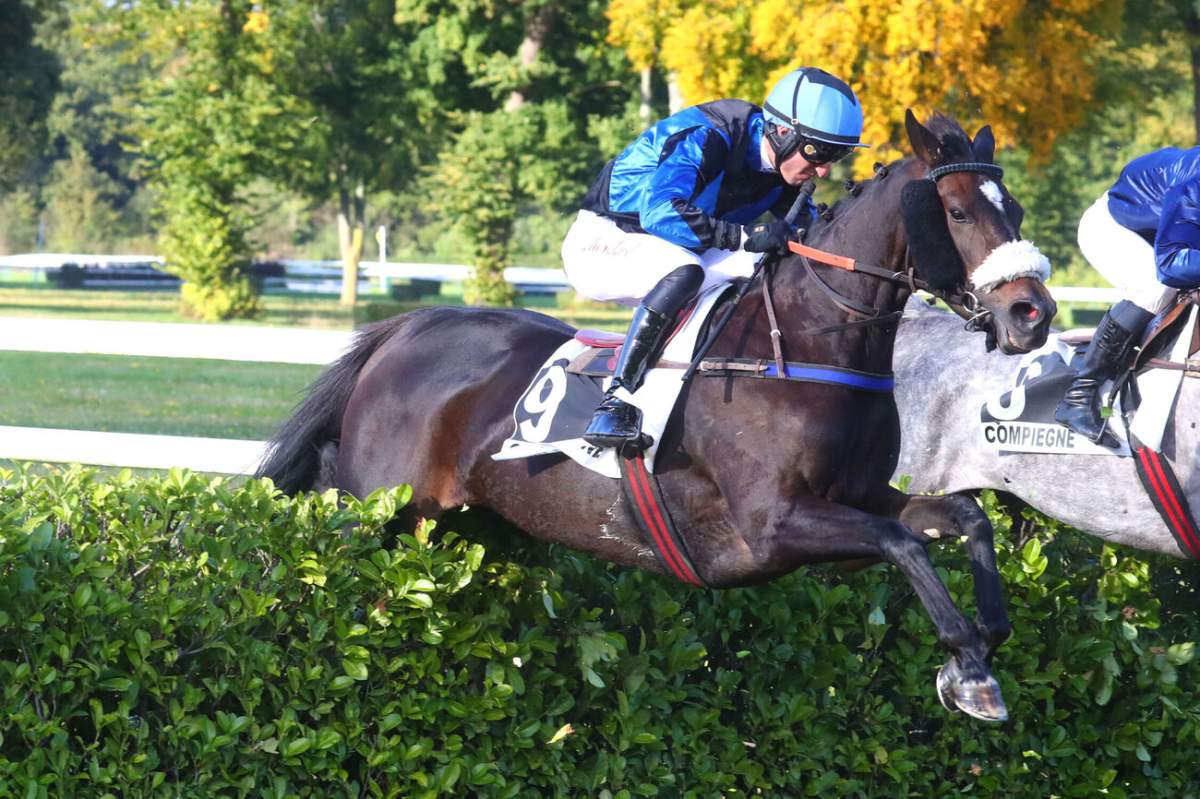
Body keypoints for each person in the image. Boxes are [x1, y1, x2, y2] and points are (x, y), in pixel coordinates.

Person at [561, 67, 868, 451]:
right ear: (782, 132)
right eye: (819, 152)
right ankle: (615, 401)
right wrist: (744, 236)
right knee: (682, 270)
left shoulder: (785, 171)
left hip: (682, 247)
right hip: (606, 239)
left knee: (776, 271)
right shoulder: (710, 137)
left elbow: (814, 244)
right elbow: (660, 214)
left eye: (836, 156)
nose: (823, 169)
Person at [1055, 147, 1200, 448]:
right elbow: (1171, 266)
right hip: (1112, 230)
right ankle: (1078, 396)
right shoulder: (1194, 184)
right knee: (1155, 288)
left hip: (1163, 233)